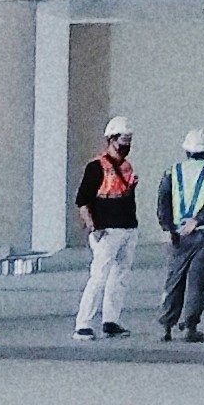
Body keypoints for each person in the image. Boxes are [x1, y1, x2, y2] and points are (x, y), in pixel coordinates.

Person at [73, 117, 139, 338]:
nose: (126, 145)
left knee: (119, 277)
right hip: (106, 231)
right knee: (99, 277)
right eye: (123, 139)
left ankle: (111, 321)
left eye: (129, 140)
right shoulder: (96, 167)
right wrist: (94, 227)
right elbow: (82, 200)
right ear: (111, 139)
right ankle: (83, 324)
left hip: (128, 228)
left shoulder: (127, 167)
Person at [157, 128, 204, 343]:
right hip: (201, 234)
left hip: (177, 235)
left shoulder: (171, 172)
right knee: (197, 282)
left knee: (174, 280)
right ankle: (190, 327)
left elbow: (163, 203)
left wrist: (168, 228)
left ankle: (166, 327)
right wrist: (198, 220)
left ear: (186, 150)